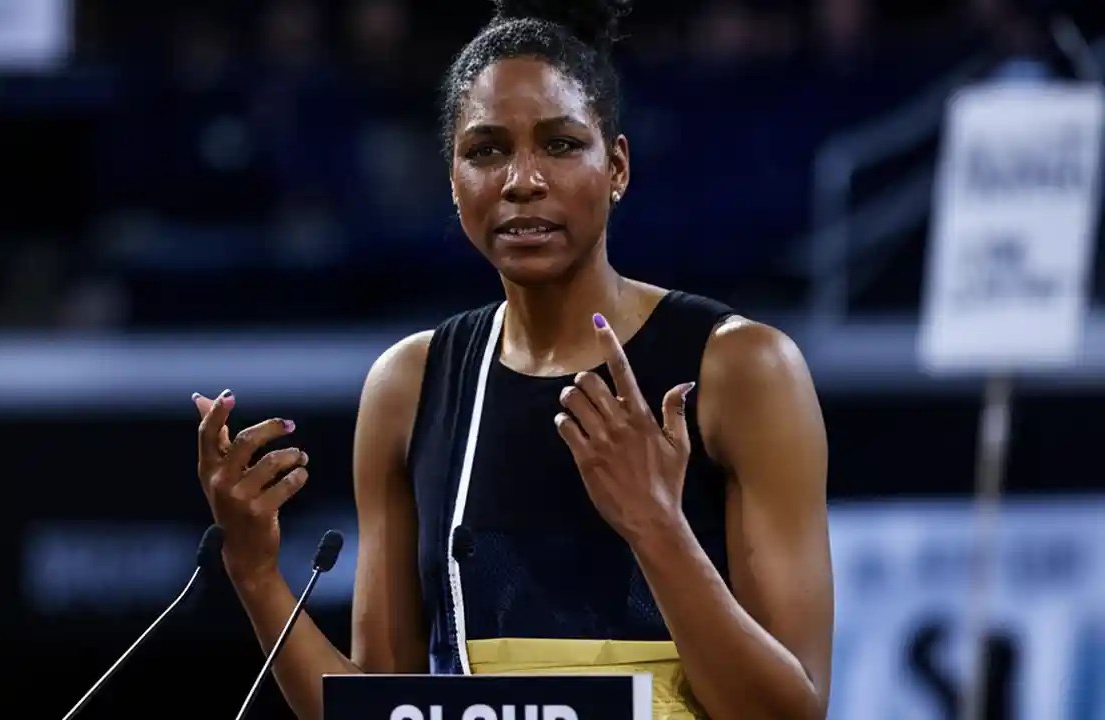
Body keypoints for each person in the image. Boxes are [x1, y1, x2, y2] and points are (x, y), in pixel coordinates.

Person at [191, 1, 833, 717]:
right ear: (454, 178)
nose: (521, 180)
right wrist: (253, 572)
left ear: (617, 166)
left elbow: (793, 712)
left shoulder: (741, 369)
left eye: (559, 145)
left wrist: (657, 526)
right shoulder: (410, 385)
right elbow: (382, 708)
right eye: (487, 150)